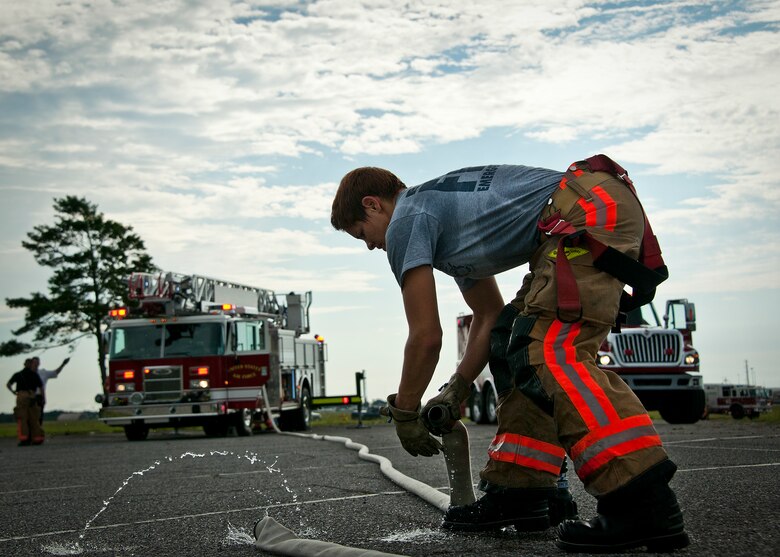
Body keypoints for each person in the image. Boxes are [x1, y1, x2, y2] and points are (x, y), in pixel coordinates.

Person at [330, 156, 689, 553]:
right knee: (512, 337)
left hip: (583, 214)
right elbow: (489, 317)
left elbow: (426, 336)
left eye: (360, 232)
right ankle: (522, 493)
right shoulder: (444, 217)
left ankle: (642, 503)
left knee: (550, 351)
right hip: (585, 208)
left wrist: (405, 410)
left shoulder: (406, 221)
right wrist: (458, 387)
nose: (368, 244)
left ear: (372, 204)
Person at [6, 358, 45, 446]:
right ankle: (37, 439)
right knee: (34, 419)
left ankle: (24, 440)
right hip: (32, 396)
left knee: (22, 419)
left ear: (24, 364)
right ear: (31, 364)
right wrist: (42, 398)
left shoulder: (18, 374)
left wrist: (14, 392)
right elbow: (41, 387)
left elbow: (8, 384)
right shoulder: (34, 374)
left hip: (21, 396)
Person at [31, 356, 69, 423]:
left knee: (39, 415)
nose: (36, 364)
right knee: (31, 415)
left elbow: (55, 372)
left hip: (39, 396)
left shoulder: (43, 372)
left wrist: (63, 364)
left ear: (39, 363)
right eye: (34, 362)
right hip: (30, 396)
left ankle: (38, 431)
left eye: (37, 362)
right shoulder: (27, 373)